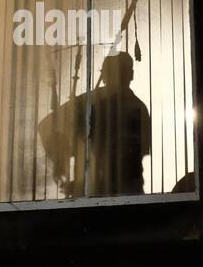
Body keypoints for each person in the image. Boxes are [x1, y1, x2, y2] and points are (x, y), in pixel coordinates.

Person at [38, 51, 151, 197]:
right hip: (121, 195)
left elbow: (125, 159)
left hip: (111, 195)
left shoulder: (97, 104)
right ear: (130, 74)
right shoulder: (135, 107)